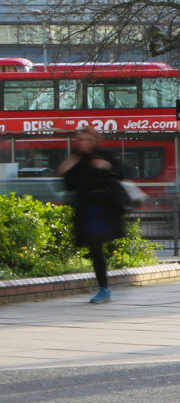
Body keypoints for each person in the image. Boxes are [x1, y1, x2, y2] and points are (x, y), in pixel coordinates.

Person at [59, 127, 129, 303]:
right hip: (87, 209)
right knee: (94, 246)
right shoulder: (76, 160)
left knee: (97, 242)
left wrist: (107, 166)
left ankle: (104, 286)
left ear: (95, 140)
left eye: (87, 139)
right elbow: (69, 186)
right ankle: (104, 288)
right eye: (80, 139)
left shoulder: (105, 155)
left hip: (106, 208)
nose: (83, 143)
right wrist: (66, 172)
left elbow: (122, 173)